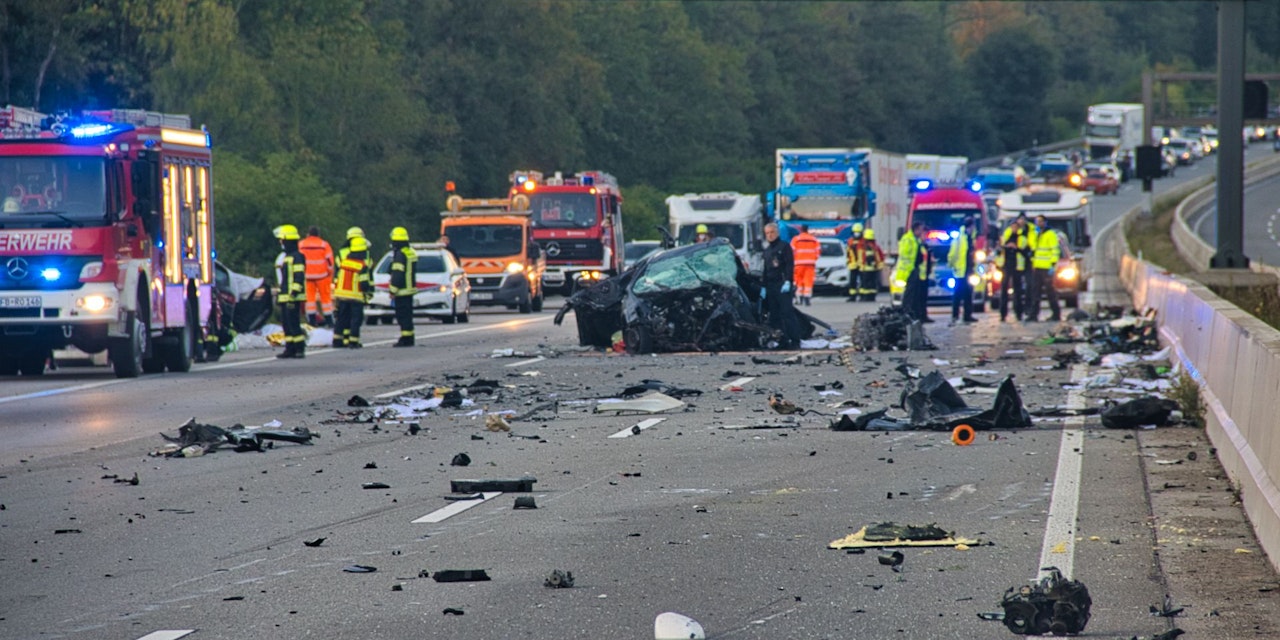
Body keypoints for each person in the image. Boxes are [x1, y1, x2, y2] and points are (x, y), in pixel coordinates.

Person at [761, 222, 802, 348]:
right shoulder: (767, 250)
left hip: (782, 284)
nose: (770, 235)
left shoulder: (784, 247)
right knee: (775, 316)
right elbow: (765, 270)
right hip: (771, 286)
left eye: (772, 232)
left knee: (787, 314)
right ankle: (782, 341)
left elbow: (789, 265)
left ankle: (795, 341)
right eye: (767, 233)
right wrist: (763, 286)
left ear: (777, 233)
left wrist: (788, 281)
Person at [332, 236, 373, 349]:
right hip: (355, 296)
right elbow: (364, 284)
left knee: (341, 318)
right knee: (356, 319)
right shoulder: (362, 265)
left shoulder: (344, 262)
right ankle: (353, 341)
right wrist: (367, 293)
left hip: (341, 295)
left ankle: (337, 340)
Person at [274, 224, 307, 359]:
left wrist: (294, 292)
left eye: (282, 240)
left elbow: (299, 276)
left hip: (293, 297)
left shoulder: (297, 257)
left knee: (293, 324)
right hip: (285, 296)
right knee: (286, 325)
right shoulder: (287, 257)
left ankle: (299, 348)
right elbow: (284, 279)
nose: (281, 243)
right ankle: (290, 349)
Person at [1026, 215, 1062, 323]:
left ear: (1045, 222)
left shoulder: (1050, 234)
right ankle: (1034, 315)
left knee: (1050, 292)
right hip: (1037, 267)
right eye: (1037, 221)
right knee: (1035, 292)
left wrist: (1053, 264)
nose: (1038, 223)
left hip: (1047, 267)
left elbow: (1055, 250)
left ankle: (1056, 314)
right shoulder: (1037, 234)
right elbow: (1033, 248)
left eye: (1040, 221)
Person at [298, 226, 335, 327]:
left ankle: (312, 321)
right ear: (318, 234)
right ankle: (329, 321)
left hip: (307, 276)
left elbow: (298, 258)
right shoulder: (324, 244)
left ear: (308, 234)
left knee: (310, 299)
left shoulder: (301, 244)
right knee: (326, 299)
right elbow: (330, 262)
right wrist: (329, 273)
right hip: (322, 276)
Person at [895, 221, 931, 323]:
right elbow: (906, 255)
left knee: (915, 296)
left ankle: (914, 315)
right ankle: (906, 315)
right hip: (909, 270)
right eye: (920, 230)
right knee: (909, 295)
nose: (922, 232)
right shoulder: (908, 239)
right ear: (916, 229)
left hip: (915, 270)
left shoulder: (915, 240)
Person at [997, 214, 1031, 322]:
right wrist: (1005, 247)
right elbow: (998, 252)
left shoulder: (1022, 239)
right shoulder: (1004, 238)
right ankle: (1003, 314)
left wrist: (1016, 248)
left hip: (1017, 267)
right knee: (1004, 291)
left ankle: (1018, 313)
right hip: (1006, 266)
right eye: (1013, 226)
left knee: (1018, 291)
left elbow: (1025, 253)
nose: (1014, 228)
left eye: (1016, 226)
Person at [388, 226, 418, 347]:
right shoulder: (410, 252)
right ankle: (409, 337)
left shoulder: (400, 254)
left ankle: (405, 338)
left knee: (402, 316)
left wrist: (392, 290)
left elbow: (398, 274)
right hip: (409, 290)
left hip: (402, 290)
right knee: (408, 316)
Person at [947, 217, 979, 324]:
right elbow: (952, 254)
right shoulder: (960, 238)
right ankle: (955, 315)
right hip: (961, 271)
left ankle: (967, 315)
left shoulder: (970, 238)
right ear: (970, 226)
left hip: (969, 269)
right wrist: (952, 266)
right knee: (958, 294)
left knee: (968, 293)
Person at [848, 227, 885, 302]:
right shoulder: (874, 246)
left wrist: (860, 265)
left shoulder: (862, 246)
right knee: (871, 283)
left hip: (864, 268)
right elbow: (879, 257)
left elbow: (861, 257)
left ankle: (864, 296)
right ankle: (870, 296)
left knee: (865, 284)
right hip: (871, 268)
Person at [789, 224, 819, 306]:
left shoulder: (796, 239)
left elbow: (791, 251)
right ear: (807, 229)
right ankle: (807, 298)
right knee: (808, 281)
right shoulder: (813, 239)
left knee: (798, 281)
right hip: (810, 264)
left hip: (798, 264)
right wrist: (813, 259)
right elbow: (818, 252)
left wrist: (794, 260)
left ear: (801, 230)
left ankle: (799, 298)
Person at [844, 223, 865, 301]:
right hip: (853, 265)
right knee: (852, 281)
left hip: (862, 265)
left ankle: (863, 296)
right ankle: (852, 296)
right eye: (855, 232)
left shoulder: (864, 242)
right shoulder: (850, 241)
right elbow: (848, 253)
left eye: (858, 232)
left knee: (863, 281)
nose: (857, 234)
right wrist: (848, 262)